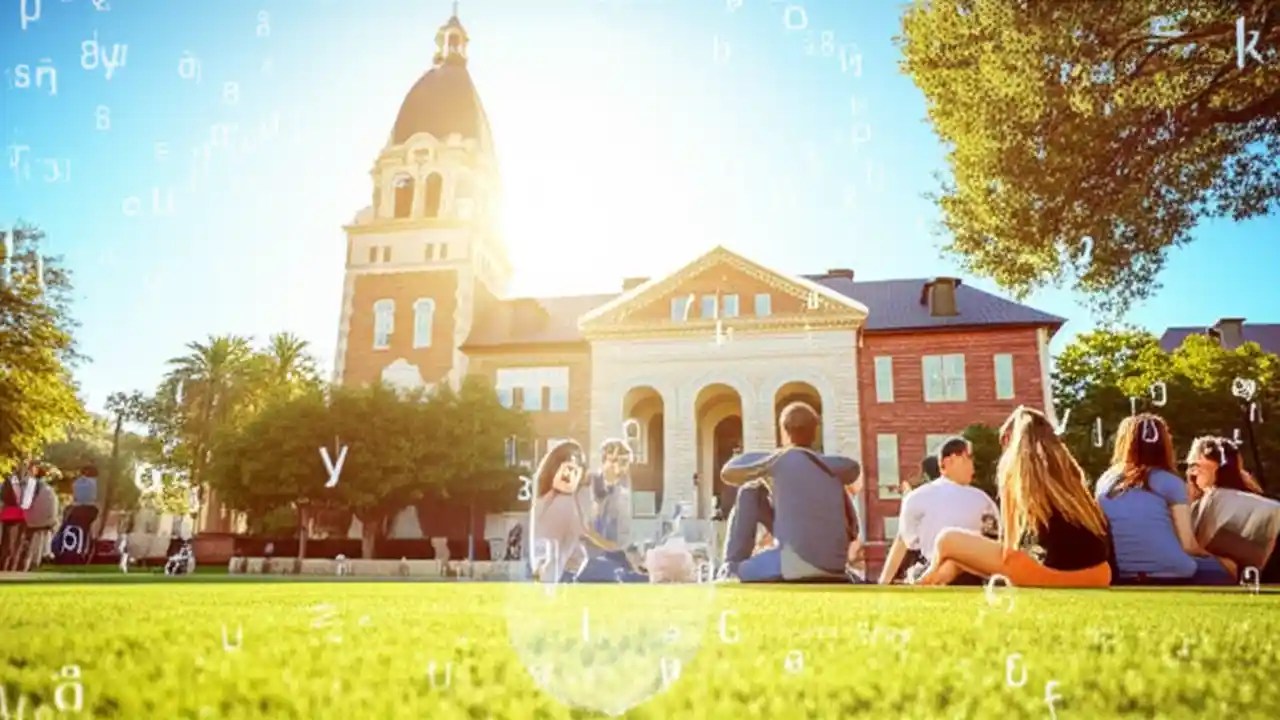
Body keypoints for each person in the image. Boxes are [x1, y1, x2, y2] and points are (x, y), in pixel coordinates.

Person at [918, 406, 1114, 588]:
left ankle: (924, 580)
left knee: (946, 540)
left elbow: (1009, 548)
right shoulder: (1065, 471)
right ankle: (929, 581)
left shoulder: (1016, 468)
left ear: (1009, 439)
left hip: (1049, 574)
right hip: (1098, 574)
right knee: (956, 561)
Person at [718, 401, 862, 582]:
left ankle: (730, 569)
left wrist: (768, 464)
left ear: (783, 432)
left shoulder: (780, 460)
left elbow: (729, 472)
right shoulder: (833, 470)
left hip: (793, 565)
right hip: (835, 567)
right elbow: (854, 470)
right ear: (815, 433)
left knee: (750, 491)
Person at [1095, 415, 1234, 585]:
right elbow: (1189, 546)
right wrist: (1218, 557)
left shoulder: (1104, 481)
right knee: (1230, 567)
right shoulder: (1169, 481)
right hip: (1173, 571)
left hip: (1120, 572)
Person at [879, 437, 999, 585]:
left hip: (962, 572)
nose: (973, 467)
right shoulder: (919, 498)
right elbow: (903, 541)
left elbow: (903, 542)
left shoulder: (982, 499)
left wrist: (883, 584)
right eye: (969, 458)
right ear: (951, 460)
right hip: (948, 572)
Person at [530, 440, 642, 583]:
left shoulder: (620, 495)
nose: (619, 469)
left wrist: (627, 553)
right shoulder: (582, 484)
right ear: (604, 460)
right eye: (614, 461)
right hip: (572, 559)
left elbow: (621, 536)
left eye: (624, 463)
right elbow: (582, 527)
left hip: (597, 559)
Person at [1185, 436, 1280, 576]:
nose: (1191, 472)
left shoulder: (1213, 500)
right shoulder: (1255, 499)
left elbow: (1194, 546)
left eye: (1195, 465)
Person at [19, 468, 60, 572]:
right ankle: (38, 560)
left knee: (29, 542)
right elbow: (53, 509)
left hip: (28, 521)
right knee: (38, 542)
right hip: (43, 522)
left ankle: (28, 562)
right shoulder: (49, 490)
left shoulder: (27, 487)